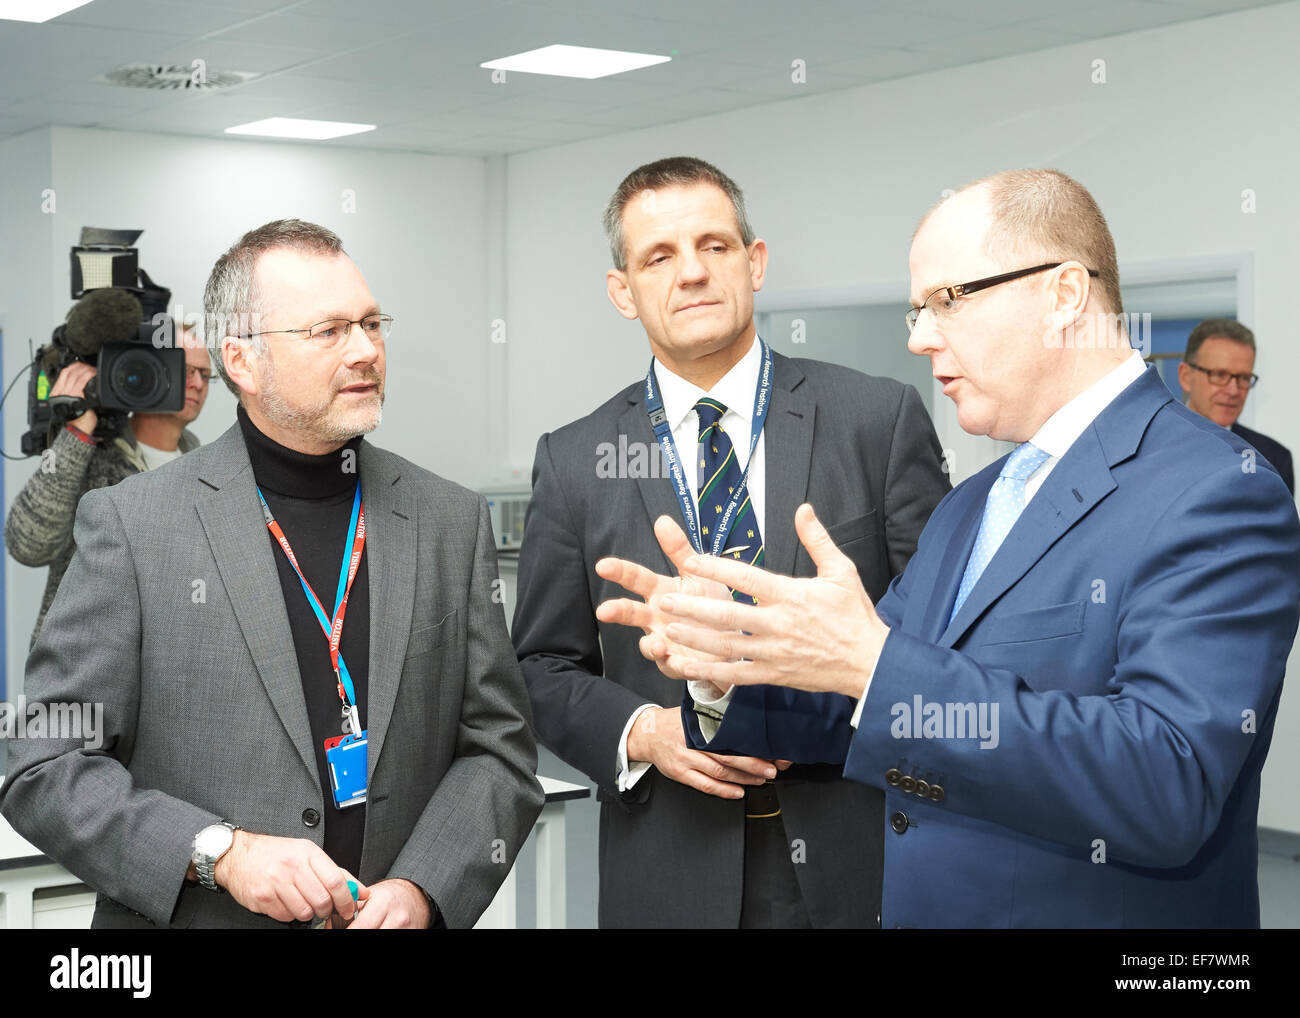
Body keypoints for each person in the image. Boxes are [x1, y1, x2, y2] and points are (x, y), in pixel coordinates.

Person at [599, 169, 1300, 928]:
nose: (918, 334)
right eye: (917, 307)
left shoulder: (1216, 490)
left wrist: (872, 663)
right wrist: (727, 666)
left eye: (946, 301)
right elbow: (863, 704)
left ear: (1064, 295)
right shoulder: (974, 502)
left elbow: (1168, 781)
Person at [0, 219, 543, 929]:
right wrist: (218, 853)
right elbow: (43, 763)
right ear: (243, 362)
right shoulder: (134, 526)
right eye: (327, 332)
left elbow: (498, 750)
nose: (366, 351)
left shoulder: (449, 521)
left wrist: (423, 890)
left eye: (372, 324)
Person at [512, 156, 949, 928]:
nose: (692, 274)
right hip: (670, 871)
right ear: (624, 291)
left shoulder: (876, 419)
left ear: (754, 263)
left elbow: (943, 639)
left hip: (859, 856)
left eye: (714, 246)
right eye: (659, 256)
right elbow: (542, 667)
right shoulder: (576, 458)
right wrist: (642, 730)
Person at [5, 325, 211, 646]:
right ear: (145, 370)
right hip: (78, 667)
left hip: (169, 668)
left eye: (204, 374)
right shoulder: (91, 455)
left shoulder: (206, 467)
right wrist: (76, 433)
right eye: (185, 370)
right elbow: (28, 545)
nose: (197, 383)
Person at [1178, 317, 1293, 495]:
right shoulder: (1150, 446)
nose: (1233, 390)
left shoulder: (1273, 458)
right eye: (1219, 374)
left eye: (1244, 378)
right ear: (1186, 376)